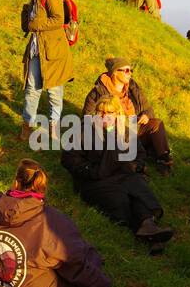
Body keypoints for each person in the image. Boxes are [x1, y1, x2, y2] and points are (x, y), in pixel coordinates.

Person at [0, 158, 133, 287]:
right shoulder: (50, 221)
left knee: (60, 256)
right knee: (84, 254)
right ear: (43, 187)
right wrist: (103, 286)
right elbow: (75, 263)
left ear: (16, 182)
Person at [62, 96, 175, 251]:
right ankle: (149, 234)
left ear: (117, 114)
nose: (104, 116)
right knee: (120, 200)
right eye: (100, 112)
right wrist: (92, 172)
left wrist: (133, 167)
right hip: (95, 180)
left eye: (109, 112)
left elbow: (140, 155)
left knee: (138, 192)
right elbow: (69, 158)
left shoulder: (126, 132)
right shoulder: (83, 130)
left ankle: (148, 226)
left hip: (124, 175)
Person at [81, 56, 174, 174]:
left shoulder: (133, 87)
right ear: (115, 72)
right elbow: (86, 118)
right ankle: (131, 161)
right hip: (114, 133)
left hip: (135, 128)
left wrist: (146, 115)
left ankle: (163, 160)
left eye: (131, 70)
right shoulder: (98, 92)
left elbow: (148, 109)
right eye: (126, 70)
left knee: (156, 123)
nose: (129, 73)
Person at [19, 0, 74, 141]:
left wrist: (36, 24)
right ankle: (27, 127)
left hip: (54, 52)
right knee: (31, 89)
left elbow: (59, 19)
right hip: (37, 50)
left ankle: (54, 129)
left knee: (54, 93)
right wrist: (26, 16)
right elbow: (29, 26)